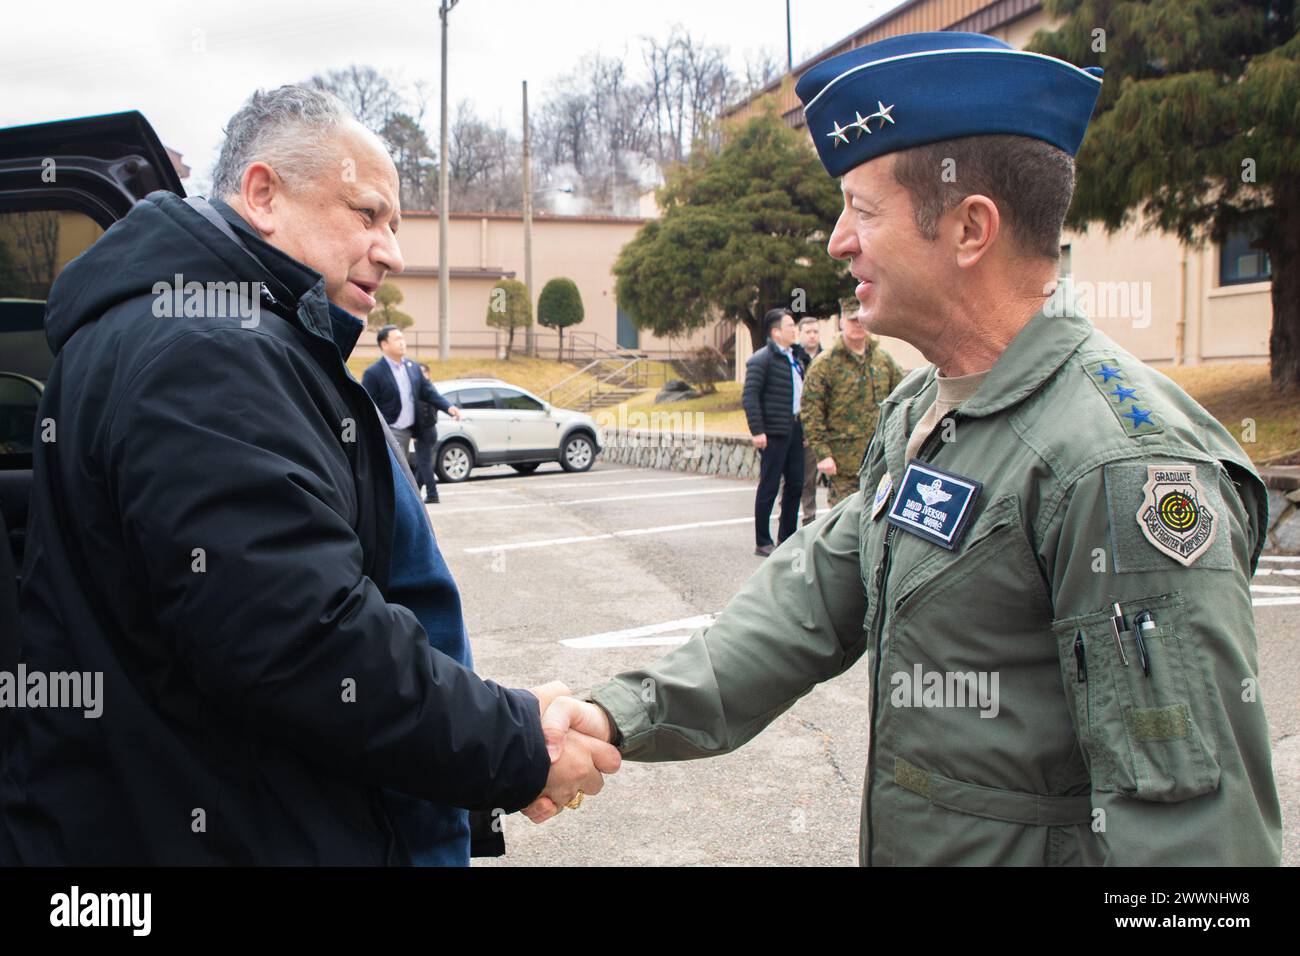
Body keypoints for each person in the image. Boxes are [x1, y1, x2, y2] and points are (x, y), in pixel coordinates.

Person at [532, 32, 1283, 865]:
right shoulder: (923, 410)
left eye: (862, 209)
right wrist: (612, 716)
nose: (835, 242)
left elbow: (1194, 838)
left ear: (969, 227)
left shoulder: (1117, 466)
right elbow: (811, 597)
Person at [1, 85, 618, 865]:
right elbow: (303, 643)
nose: (392, 251)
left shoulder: (192, 330)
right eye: (366, 215)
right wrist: (515, 743)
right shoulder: (205, 350)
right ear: (263, 193)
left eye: (395, 225)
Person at [800, 312, 903, 508]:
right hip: (843, 464)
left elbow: (901, 398)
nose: (858, 324)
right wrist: (823, 454)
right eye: (852, 320)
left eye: (861, 319)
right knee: (844, 525)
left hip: (879, 459)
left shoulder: (883, 360)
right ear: (841, 322)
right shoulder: (825, 363)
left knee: (878, 521)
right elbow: (811, 411)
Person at [361, 325, 461, 496]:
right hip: (390, 428)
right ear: (384, 345)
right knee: (399, 469)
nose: (402, 343)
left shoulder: (413, 368)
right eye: (397, 339)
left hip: (409, 429)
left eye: (403, 338)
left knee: (401, 468)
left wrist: (448, 406)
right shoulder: (374, 373)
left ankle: (396, 501)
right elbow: (365, 403)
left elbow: (428, 391)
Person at [742, 308, 805, 556]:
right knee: (769, 485)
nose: (794, 329)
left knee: (796, 484)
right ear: (776, 332)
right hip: (773, 431)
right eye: (790, 325)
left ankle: (786, 536)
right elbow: (750, 397)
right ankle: (762, 540)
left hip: (796, 428)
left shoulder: (794, 358)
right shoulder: (762, 359)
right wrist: (758, 430)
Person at [796, 317, 824, 526]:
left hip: (823, 429)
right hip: (796, 428)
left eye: (815, 331)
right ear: (800, 334)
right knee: (792, 480)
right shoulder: (793, 358)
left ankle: (810, 520)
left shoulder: (827, 359)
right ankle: (788, 521)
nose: (812, 335)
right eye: (808, 332)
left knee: (810, 480)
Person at [413, 361, 448, 503]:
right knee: (423, 464)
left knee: (424, 463)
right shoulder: (430, 390)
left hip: (425, 432)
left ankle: (432, 494)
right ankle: (415, 491)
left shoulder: (425, 391)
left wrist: (416, 433)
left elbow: (424, 414)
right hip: (430, 431)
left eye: (422, 373)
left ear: (427, 374)